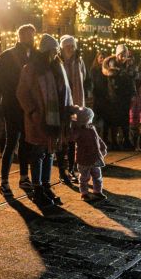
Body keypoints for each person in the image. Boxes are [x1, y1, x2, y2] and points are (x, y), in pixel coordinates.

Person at [16, 34, 73, 210]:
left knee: (50, 152)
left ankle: (46, 186)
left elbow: (64, 90)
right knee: (38, 152)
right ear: (46, 51)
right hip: (40, 117)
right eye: (53, 50)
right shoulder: (31, 69)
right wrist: (32, 111)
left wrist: (67, 111)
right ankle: (38, 188)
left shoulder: (57, 67)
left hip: (54, 118)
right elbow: (22, 92)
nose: (56, 54)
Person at [0, 24, 35, 196]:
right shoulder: (7, 55)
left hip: (27, 105)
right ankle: (4, 182)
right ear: (20, 36)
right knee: (11, 142)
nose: (31, 39)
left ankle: (24, 177)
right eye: (28, 36)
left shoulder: (34, 55)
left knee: (25, 141)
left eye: (32, 36)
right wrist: (11, 91)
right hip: (11, 105)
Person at [57, 35, 86, 183]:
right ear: (62, 48)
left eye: (72, 46)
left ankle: (72, 169)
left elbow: (84, 77)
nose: (70, 49)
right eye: (67, 47)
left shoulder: (79, 61)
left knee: (73, 138)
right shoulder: (58, 62)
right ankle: (62, 171)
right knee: (62, 138)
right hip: (63, 104)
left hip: (77, 102)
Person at [102, 45, 136, 149]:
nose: (123, 58)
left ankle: (126, 139)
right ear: (117, 55)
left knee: (125, 119)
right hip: (115, 97)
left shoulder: (128, 65)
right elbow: (113, 83)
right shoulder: (112, 66)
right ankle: (115, 141)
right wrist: (122, 75)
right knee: (115, 120)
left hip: (126, 96)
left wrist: (133, 93)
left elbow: (132, 80)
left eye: (125, 55)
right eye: (121, 55)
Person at [71, 107, 108, 202]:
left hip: (95, 157)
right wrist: (74, 125)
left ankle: (97, 191)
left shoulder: (92, 128)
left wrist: (103, 146)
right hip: (83, 158)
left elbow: (98, 138)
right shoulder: (78, 130)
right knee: (84, 177)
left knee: (97, 176)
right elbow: (72, 138)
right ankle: (84, 193)